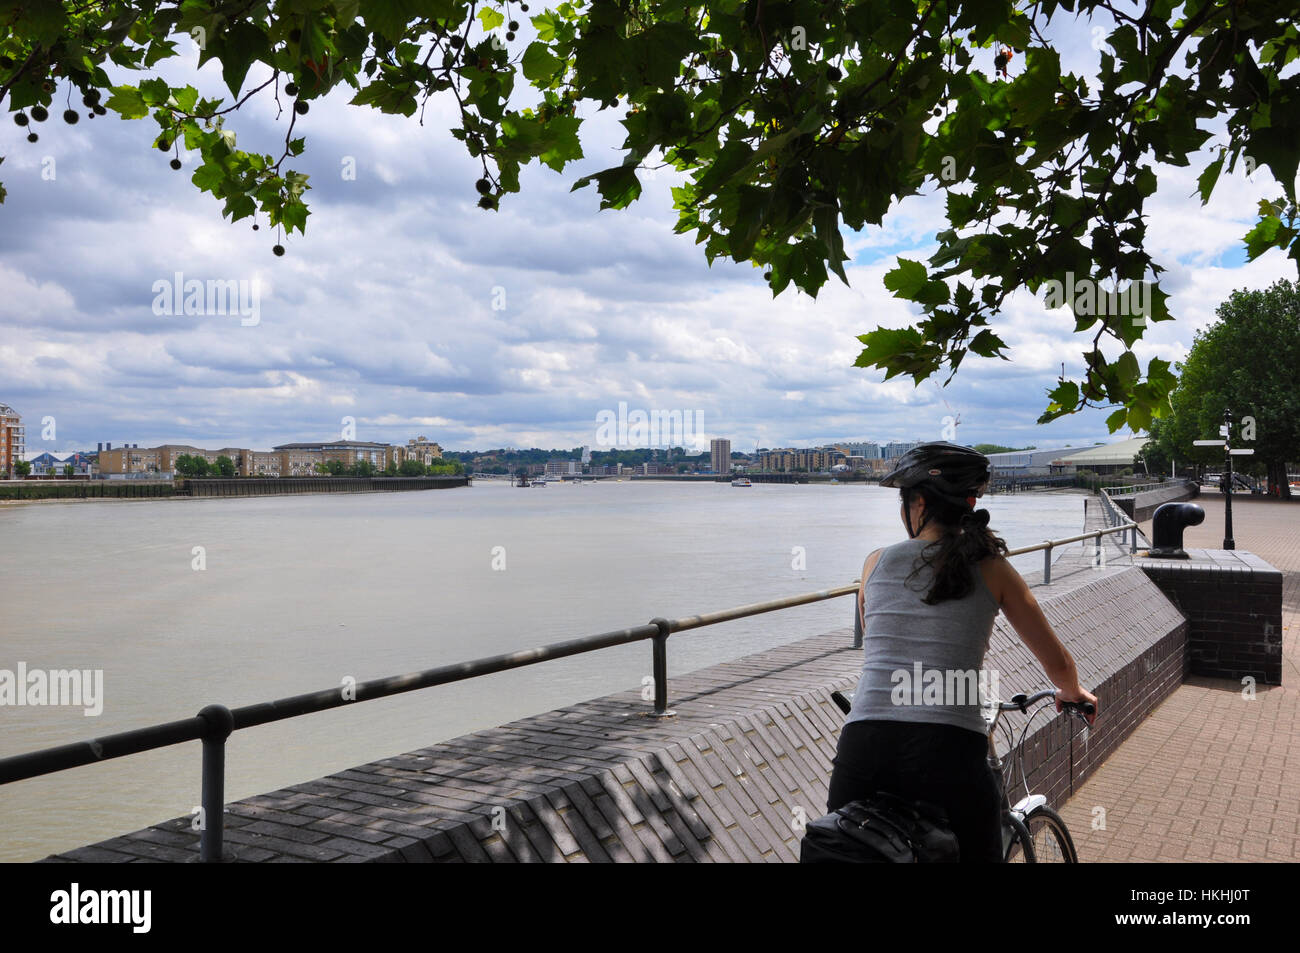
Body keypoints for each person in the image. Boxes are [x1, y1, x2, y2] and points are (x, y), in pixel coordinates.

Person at [826, 442, 1099, 862]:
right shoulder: (993, 567)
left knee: (846, 852)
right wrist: (1072, 691)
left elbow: (874, 629)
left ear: (917, 503)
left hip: (865, 746)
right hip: (949, 750)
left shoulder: (874, 562)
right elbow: (1058, 662)